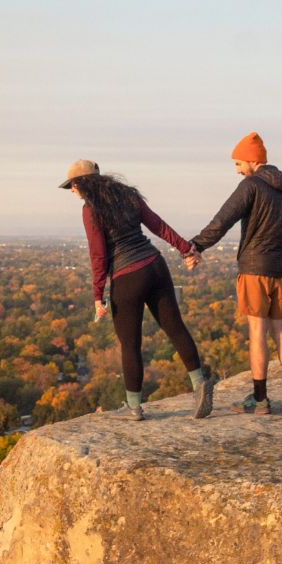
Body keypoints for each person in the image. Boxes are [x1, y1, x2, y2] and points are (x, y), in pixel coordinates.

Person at [60, 159, 217, 420]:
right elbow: (158, 224)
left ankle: (134, 407)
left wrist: (97, 295)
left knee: (130, 344)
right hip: (155, 266)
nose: (72, 191)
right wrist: (185, 248)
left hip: (127, 277)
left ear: (83, 183)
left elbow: (98, 255)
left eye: (73, 186)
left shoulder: (90, 210)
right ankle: (200, 384)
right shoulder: (128, 195)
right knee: (175, 327)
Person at [186, 132, 282, 414]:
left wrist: (195, 246)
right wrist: (281, 255)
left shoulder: (251, 186)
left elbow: (223, 220)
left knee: (257, 332)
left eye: (238, 163)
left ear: (253, 160)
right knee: (281, 332)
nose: (237, 170)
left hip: (254, 270)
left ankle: (261, 399)